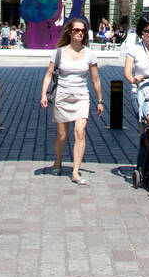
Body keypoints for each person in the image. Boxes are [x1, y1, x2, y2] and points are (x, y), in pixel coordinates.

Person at [40, 16, 104, 185]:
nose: (80, 33)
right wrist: (43, 95)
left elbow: (95, 79)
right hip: (62, 96)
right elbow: (48, 75)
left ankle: (75, 171)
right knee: (62, 135)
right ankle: (58, 160)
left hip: (82, 96)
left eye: (82, 30)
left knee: (80, 133)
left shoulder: (90, 54)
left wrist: (100, 100)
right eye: (76, 30)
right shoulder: (59, 52)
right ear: (69, 31)